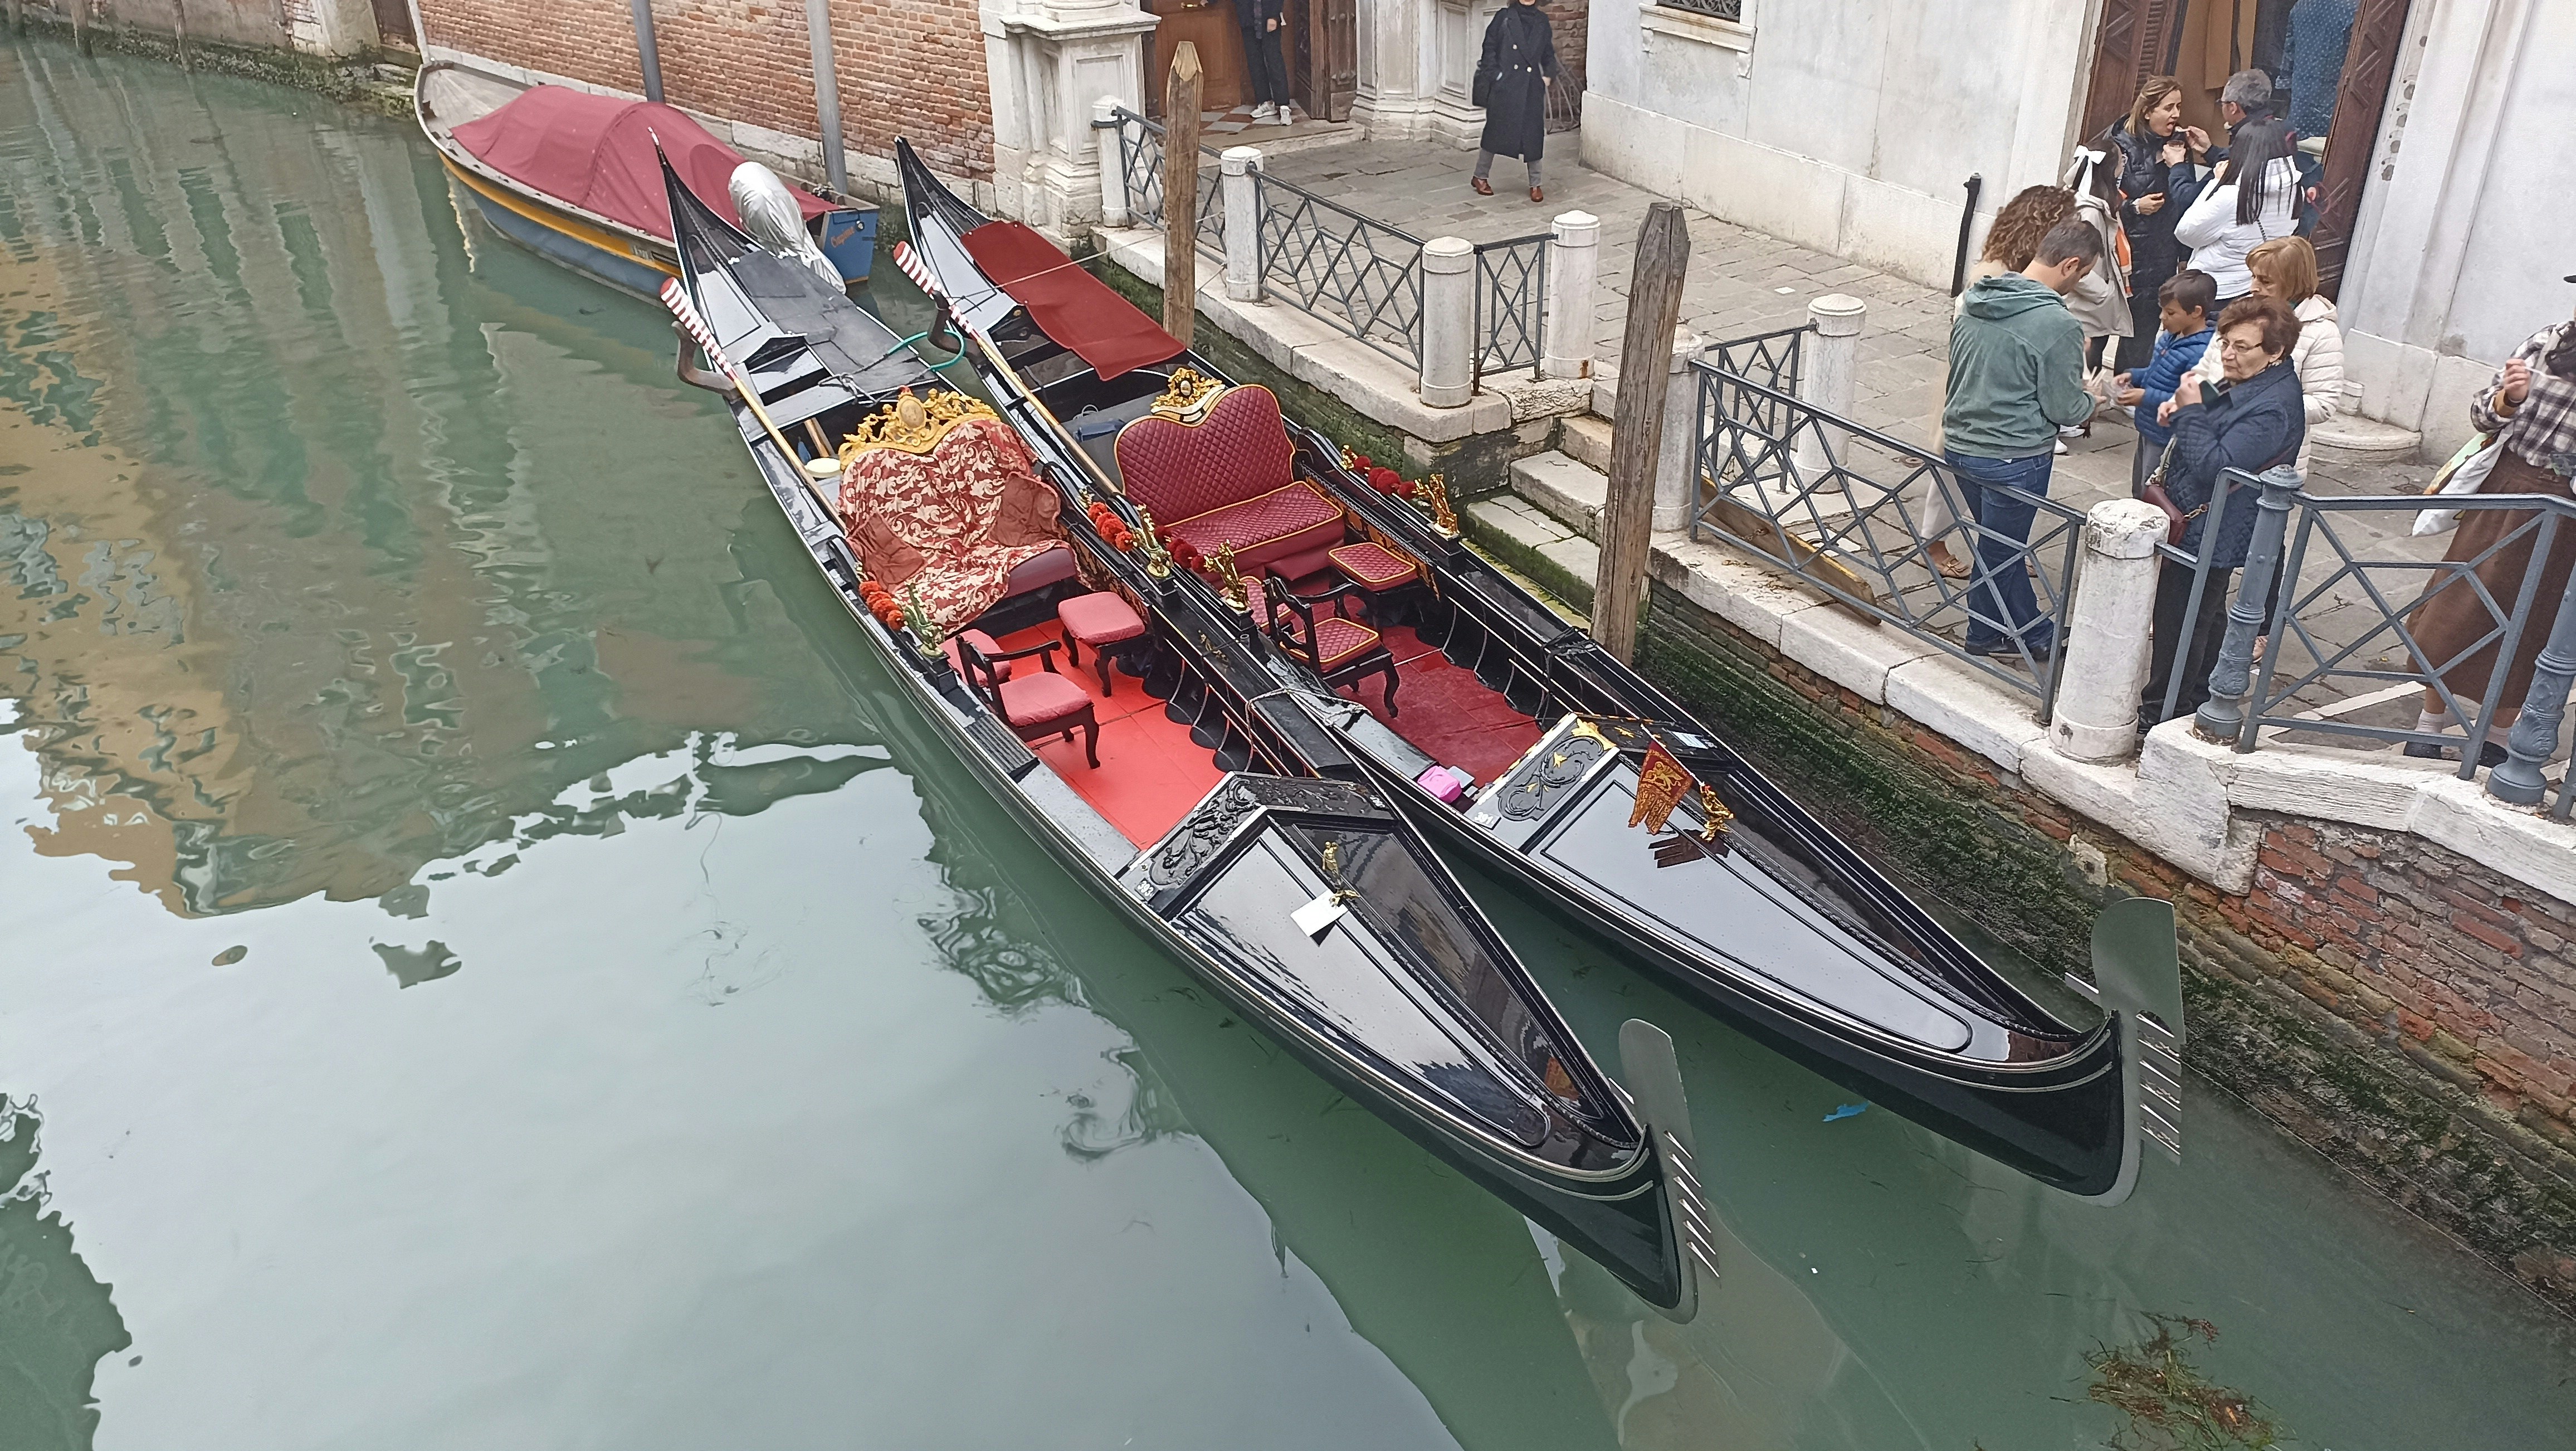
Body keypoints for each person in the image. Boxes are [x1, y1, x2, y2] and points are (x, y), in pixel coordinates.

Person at [2402, 288, 2576, 766]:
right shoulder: (2547, 342)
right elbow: (2481, 414)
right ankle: (2429, 726)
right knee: (2461, 603)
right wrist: (2509, 399)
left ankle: (2497, 737)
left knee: (2535, 620)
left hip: (2567, 512)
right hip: (2509, 488)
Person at [1942, 218, 2102, 664]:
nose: (2080, 283)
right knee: (2001, 551)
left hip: (1960, 442)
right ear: (2070, 265)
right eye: (2083, 275)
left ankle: (2031, 630)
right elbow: (2065, 409)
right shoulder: (2057, 323)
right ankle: (1984, 633)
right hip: (2013, 454)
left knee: (2001, 546)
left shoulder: (1977, 296)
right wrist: (2095, 401)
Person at [2140, 297, 2307, 723]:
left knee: (2181, 619)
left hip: (2214, 525)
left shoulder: (2275, 405)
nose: (2229, 355)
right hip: (2200, 519)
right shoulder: (2252, 380)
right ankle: (2193, 698)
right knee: (2205, 615)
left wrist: (2191, 412)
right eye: (2226, 343)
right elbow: (2223, 401)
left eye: (2243, 347)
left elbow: (2217, 464)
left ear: (2276, 352)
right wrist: (2180, 409)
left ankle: (2163, 711)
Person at [1926, 186, 2080, 580]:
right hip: (1979, 388)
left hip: (1988, 392)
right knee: (1951, 469)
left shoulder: (2026, 268)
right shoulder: (1996, 275)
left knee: (1979, 493)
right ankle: (1937, 542)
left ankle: (1999, 574)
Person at [2188, 236, 2343, 476]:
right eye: (2253, 276)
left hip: (2270, 456)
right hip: (2213, 436)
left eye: (2265, 281)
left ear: (2293, 282)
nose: (2253, 287)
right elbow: (2210, 366)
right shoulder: (2243, 312)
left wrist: (2256, 406)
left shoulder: (2321, 331)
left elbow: (2324, 403)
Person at [2107, 77, 2192, 373]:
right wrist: (2134, 207)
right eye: (2168, 107)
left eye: (2179, 107)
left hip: (2159, 256)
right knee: (2098, 328)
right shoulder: (2116, 146)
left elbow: (2186, 205)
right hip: (2119, 255)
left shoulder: (2178, 147)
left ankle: (2126, 391)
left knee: (2142, 332)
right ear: (2147, 111)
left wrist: (2183, 257)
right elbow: (2093, 202)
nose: (2176, 115)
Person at [2173, 118, 2299, 310]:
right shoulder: (2295, 189)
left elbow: (2186, 233)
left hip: (2219, 290)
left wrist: (2216, 183)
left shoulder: (2232, 195)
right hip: (2256, 287)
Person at [2116, 269, 2217, 496]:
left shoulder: (2203, 352)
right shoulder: (2171, 336)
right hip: (2148, 427)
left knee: (2152, 488)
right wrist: (2135, 375)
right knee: (2139, 483)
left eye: (2170, 312)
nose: (2162, 317)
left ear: (2196, 313)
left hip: (2167, 435)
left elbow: (2200, 399)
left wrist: (2145, 397)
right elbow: (2159, 373)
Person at [1470, 0, 1556, 203]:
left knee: (1533, 135)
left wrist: (1548, 76)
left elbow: (1548, 54)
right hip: (1506, 86)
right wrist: (1497, 76)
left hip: (1531, 88)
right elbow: (1489, 48)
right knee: (1495, 130)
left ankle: (1536, 184)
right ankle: (1480, 177)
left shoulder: (1542, 21)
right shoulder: (1504, 18)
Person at [1240, 0, 1291, 126]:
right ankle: (1265, 102)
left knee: (1274, 60)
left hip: (1268, 15)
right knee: (1254, 61)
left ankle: (1283, 105)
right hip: (1248, 16)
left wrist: (1274, 15)